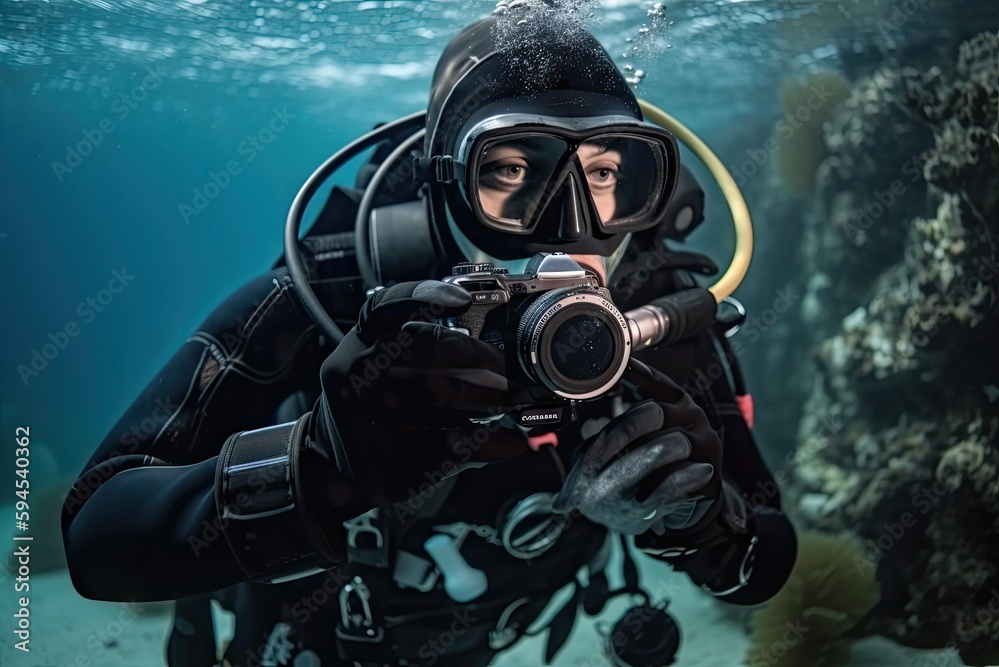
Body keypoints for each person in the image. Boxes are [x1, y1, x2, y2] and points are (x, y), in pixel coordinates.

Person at [62, 11, 796, 667]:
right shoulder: (344, 288)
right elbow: (95, 539)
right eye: (512, 169)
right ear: (445, 178)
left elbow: (764, 561)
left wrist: (705, 520)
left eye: (606, 173)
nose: (572, 226)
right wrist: (322, 464)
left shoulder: (655, 313)